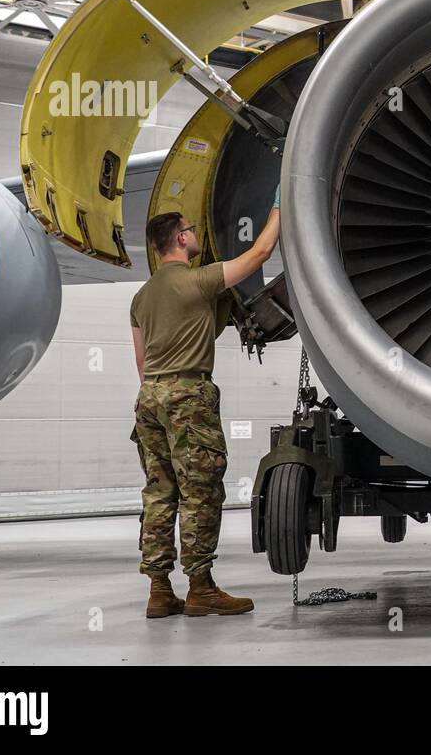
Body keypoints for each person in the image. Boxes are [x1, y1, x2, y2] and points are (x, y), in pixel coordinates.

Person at [130, 193, 280, 618]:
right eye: (191, 230)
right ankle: (201, 588)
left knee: (160, 493)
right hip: (188, 396)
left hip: (149, 398)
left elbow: (142, 365)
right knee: (200, 491)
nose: (196, 234)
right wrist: (280, 204)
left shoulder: (141, 298)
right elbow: (262, 251)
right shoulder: (199, 280)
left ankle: (159, 590)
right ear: (180, 238)